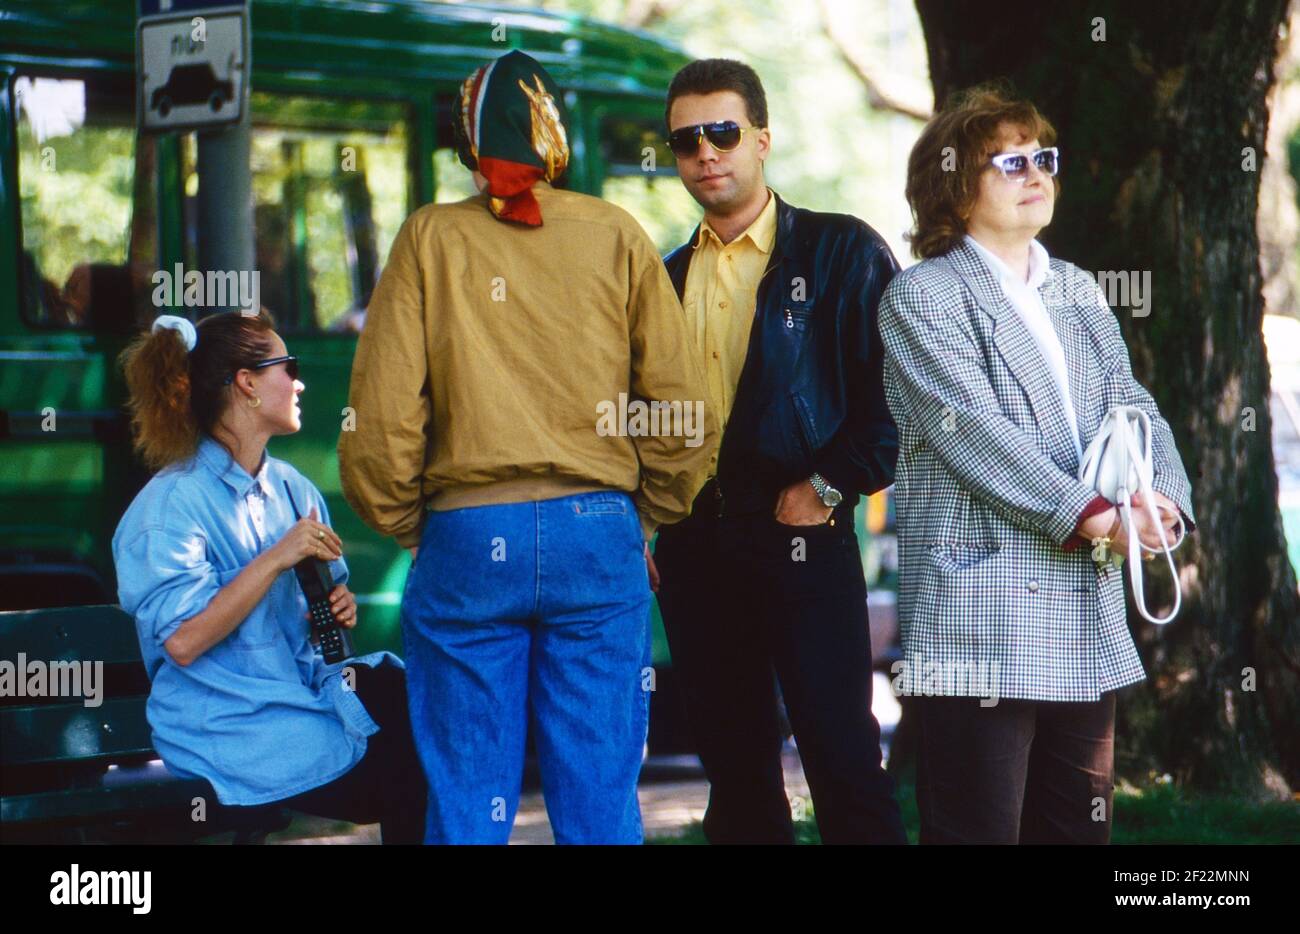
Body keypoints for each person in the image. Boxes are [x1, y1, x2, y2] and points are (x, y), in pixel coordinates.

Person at [339, 50, 717, 845]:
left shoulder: (427, 239)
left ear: (469, 145)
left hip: (468, 537)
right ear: (553, 137)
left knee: (468, 794)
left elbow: (380, 422)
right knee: (599, 793)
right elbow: (679, 410)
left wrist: (422, 524)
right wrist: (646, 514)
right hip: (597, 530)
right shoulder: (616, 234)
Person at [877, 85, 1197, 844]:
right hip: (978, 611)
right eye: (1010, 161)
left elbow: (1135, 408)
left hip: (1083, 610)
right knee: (978, 834)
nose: (1036, 174)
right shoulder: (920, 296)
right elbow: (976, 436)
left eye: (1043, 158)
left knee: (1076, 834)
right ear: (953, 188)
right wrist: (1097, 516)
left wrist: (1162, 502)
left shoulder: (1078, 289)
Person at [654, 58, 906, 844]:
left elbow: (897, 400)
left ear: (762, 139)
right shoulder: (660, 278)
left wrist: (828, 486)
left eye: (722, 132)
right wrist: (642, 520)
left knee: (843, 757)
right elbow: (635, 418)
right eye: (686, 140)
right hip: (695, 548)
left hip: (802, 533)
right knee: (734, 774)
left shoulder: (843, 254)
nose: (706, 153)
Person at [111, 310, 425, 844]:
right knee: (408, 769)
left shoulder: (293, 490)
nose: (299, 381)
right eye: (288, 366)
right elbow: (183, 642)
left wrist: (336, 604)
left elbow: (320, 617)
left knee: (428, 710)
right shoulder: (170, 505)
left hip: (300, 700)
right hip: (229, 727)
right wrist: (276, 558)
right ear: (247, 383)